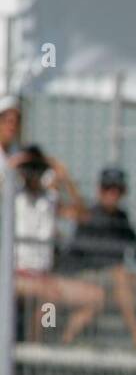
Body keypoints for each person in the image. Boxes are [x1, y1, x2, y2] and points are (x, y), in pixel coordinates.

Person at [61, 166, 136, 351]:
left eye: (117, 190)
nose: (112, 194)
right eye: (107, 189)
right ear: (99, 190)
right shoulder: (89, 217)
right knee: (120, 275)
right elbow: (79, 257)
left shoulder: (121, 219)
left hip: (114, 281)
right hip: (86, 277)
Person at [11, 145, 103, 344]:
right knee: (49, 295)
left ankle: (63, 342)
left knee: (95, 297)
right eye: (30, 168)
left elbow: (82, 216)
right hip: (16, 275)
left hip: (44, 275)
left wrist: (65, 178)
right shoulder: (11, 195)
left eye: (38, 168)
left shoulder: (50, 199)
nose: (33, 173)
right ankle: (35, 347)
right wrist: (13, 165)